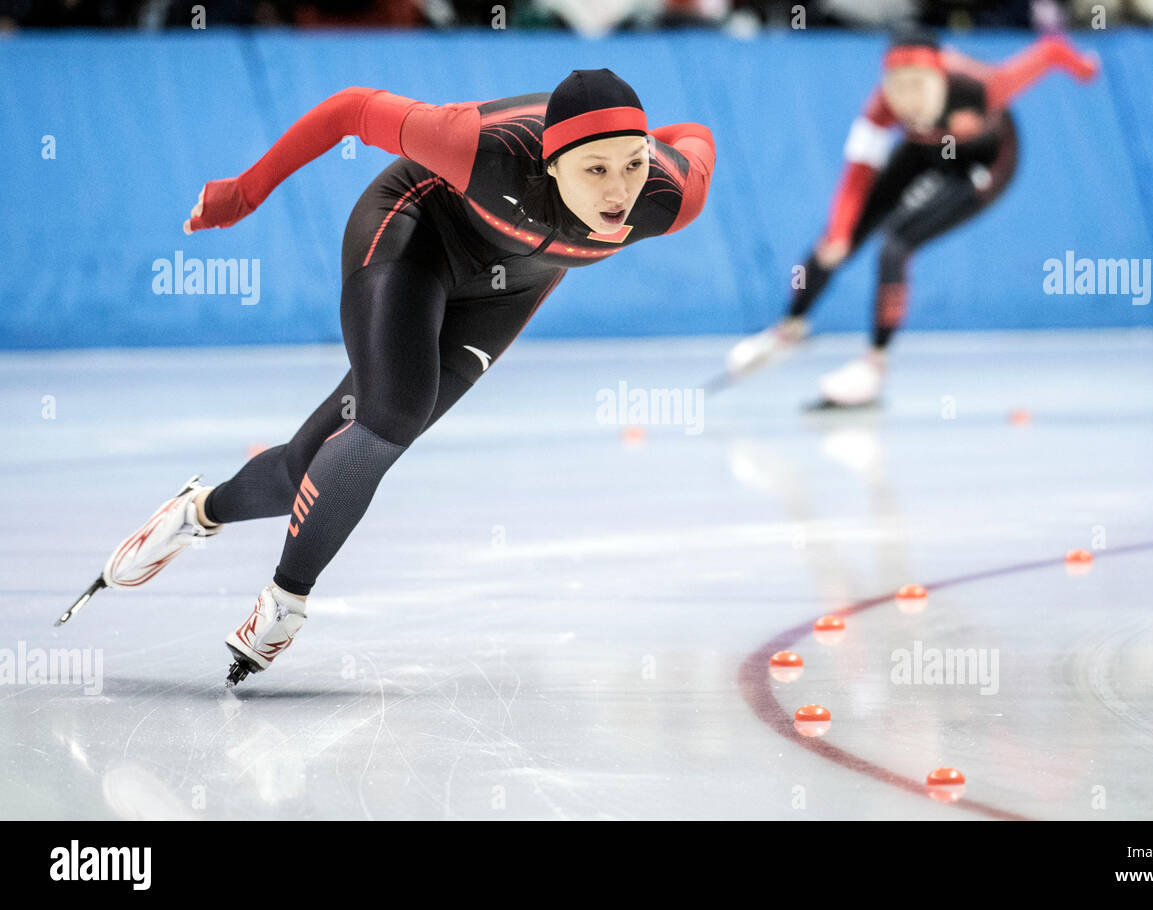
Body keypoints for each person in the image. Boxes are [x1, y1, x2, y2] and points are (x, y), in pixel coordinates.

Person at [93, 69, 714, 685]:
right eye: (595, 169)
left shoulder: (671, 196)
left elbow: (693, 133)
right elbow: (351, 109)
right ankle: (285, 603)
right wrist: (244, 192)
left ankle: (197, 512)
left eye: (633, 164)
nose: (620, 191)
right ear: (550, 164)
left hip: (509, 287)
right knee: (392, 416)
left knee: (302, 473)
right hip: (415, 232)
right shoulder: (479, 146)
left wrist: (641, 142)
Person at [725, 30, 1097, 407]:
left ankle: (875, 364)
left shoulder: (983, 87)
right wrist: (839, 232)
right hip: (925, 149)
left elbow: (1049, 51)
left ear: (940, 78)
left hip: (986, 163)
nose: (908, 100)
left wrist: (1084, 68)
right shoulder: (882, 106)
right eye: (897, 88)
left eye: (918, 86)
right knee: (839, 237)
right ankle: (788, 329)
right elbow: (857, 174)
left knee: (896, 243)